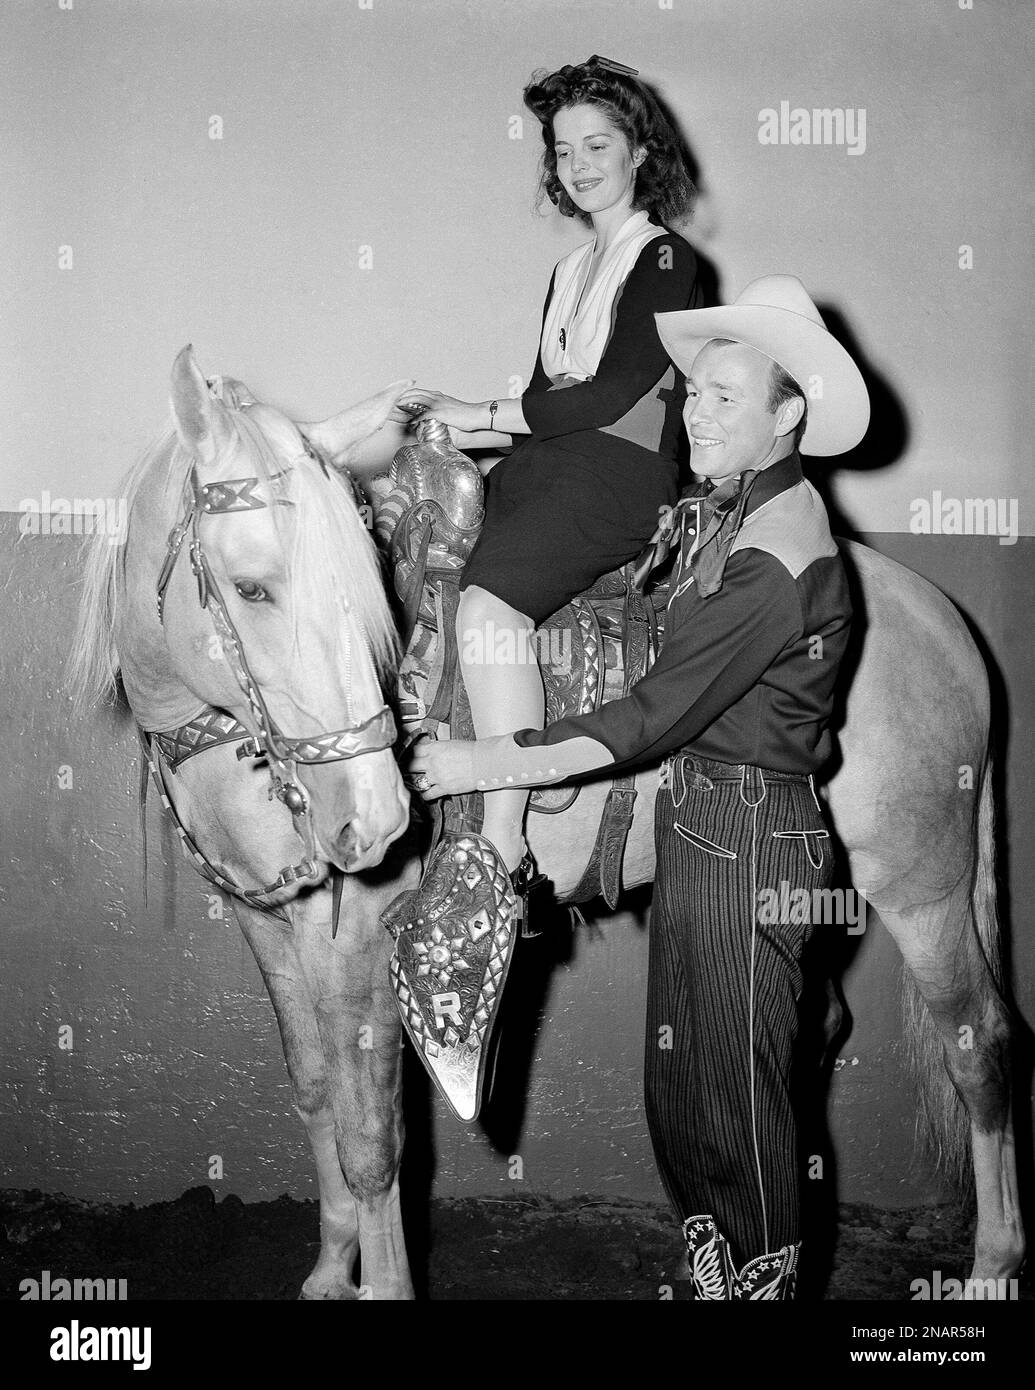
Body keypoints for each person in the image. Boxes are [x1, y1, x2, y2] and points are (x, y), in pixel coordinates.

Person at [408, 275, 870, 1299]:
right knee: (681, 1091)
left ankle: (760, 1286)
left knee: (737, 1108)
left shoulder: (778, 557)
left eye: (724, 397)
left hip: (753, 828)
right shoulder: (733, 509)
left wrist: (490, 763)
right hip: (701, 816)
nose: (694, 413)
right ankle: (717, 1271)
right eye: (692, 392)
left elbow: (647, 718)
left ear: (788, 412)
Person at [398, 55, 699, 894]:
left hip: (623, 473)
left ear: (640, 151)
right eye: (564, 151)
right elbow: (545, 399)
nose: (580, 166)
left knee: (493, 600)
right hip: (554, 463)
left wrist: (482, 414)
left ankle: (503, 840)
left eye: (597, 144)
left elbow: (609, 395)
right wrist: (455, 431)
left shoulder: (667, 260)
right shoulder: (566, 273)